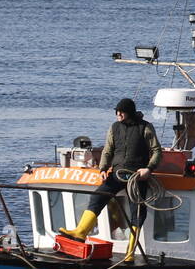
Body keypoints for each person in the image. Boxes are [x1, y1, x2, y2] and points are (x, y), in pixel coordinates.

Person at [60, 98, 161, 240]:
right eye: (117, 112)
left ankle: (130, 252)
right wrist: (102, 169)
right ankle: (81, 232)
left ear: (129, 112)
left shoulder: (145, 127)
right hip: (116, 175)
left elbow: (157, 151)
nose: (118, 114)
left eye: (121, 112)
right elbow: (107, 151)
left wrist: (148, 169)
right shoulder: (114, 127)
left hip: (136, 177)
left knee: (137, 212)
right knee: (97, 197)